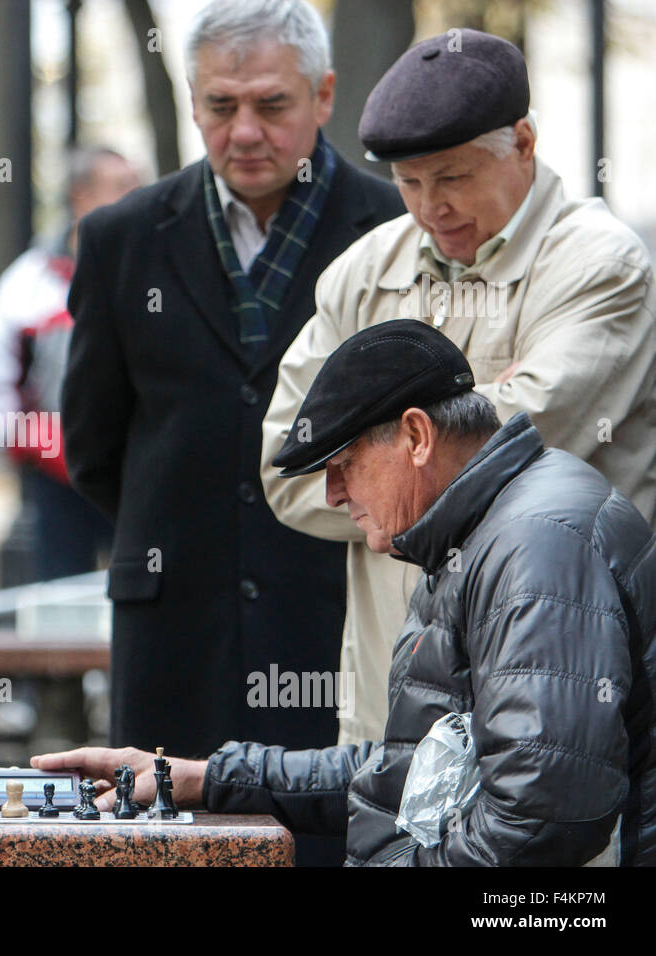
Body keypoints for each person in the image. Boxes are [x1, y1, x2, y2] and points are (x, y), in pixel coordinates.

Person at [38, 321, 656, 866]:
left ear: (416, 437)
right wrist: (202, 778)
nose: (333, 495)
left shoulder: (534, 543)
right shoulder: (486, 528)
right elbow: (406, 767)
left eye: (344, 462)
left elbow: (540, 819)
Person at [261, 29, 656, 747]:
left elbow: (495, 455)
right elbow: (285, 468)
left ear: (525, 144)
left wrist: (366, 468)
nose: (428, 206)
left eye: (454, 177)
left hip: (560, 707)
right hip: (390, 717)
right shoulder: (361, 271)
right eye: (409, 182)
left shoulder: (603, 264)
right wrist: (431, 449)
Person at [61, 0, 403, 766]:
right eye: (220, 105)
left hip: (332, 619)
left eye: (272, 105)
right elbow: (92, 444)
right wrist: (187, 521)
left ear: (324, 95)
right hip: (172, 628)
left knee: (325, 836)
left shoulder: (391, 233)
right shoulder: (121, 238)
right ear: (192, 102)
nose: (244, 131)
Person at [0, 146, 140, 581]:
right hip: (57, 484)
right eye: (122, 187)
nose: (136, 198)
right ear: (81, 197)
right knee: (59, 603)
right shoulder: (29, 283)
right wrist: (26, 439)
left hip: (139, 474)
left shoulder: (154, 273)